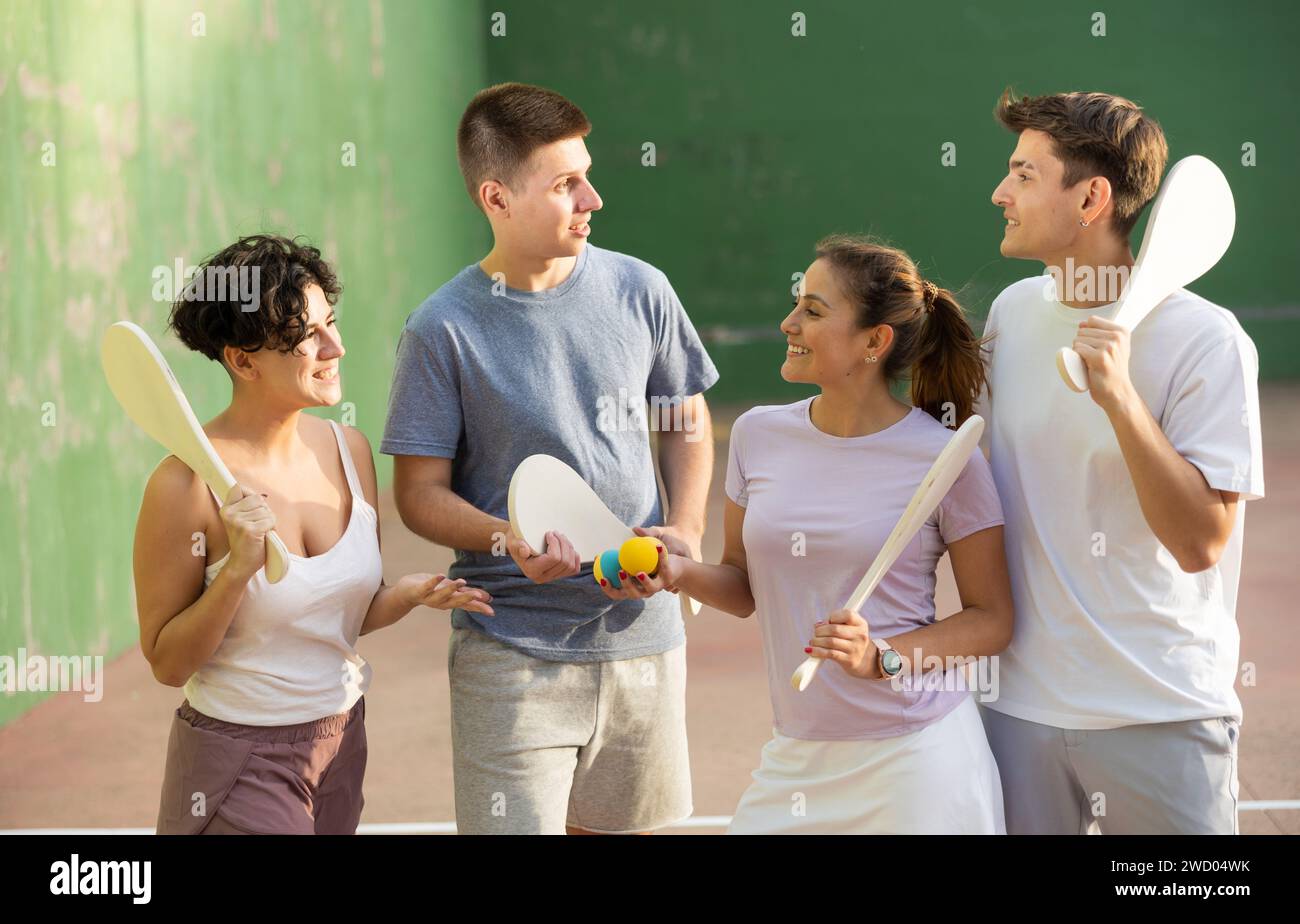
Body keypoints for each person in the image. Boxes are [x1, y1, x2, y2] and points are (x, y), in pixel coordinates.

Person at [381, 83, 719, 835]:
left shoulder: (643, 290)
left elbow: (685, 418)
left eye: (586, 173)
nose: (592, 197)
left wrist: (688, 529)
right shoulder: (441, 330)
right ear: (496, 198)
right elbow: (418, 493)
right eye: (566, 184)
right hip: (510, 652)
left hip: (643, 642)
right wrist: (507, 537)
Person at [610, 235, 1014, 833]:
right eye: (797, 303)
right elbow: (745, 585)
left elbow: (992, 619)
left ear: (874, 342)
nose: (788, 322)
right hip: (797, 757)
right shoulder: (757, 435)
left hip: (916, 761)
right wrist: (680, 573)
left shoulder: (947, 457)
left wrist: (886, 659)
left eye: (814, 311)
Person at [979, 89, 1264, 834]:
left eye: (1024, 175)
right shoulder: (1010, 315)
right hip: (1017, 711)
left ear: (1092, 197)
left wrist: (1120, 400)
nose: (999, 193)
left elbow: (1201, 541)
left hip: (1160, 711)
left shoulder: (1209, 340)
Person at [138, 234, 492, 835]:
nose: (336, 347)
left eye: (332, 322)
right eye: (308, 336)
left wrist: (403, 595)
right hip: (236, 761)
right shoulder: (183, 486)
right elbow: (168, 663)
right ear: (242, 361)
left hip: (340, 741)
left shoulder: (349, 451)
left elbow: (331, 617)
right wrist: (238, 570)